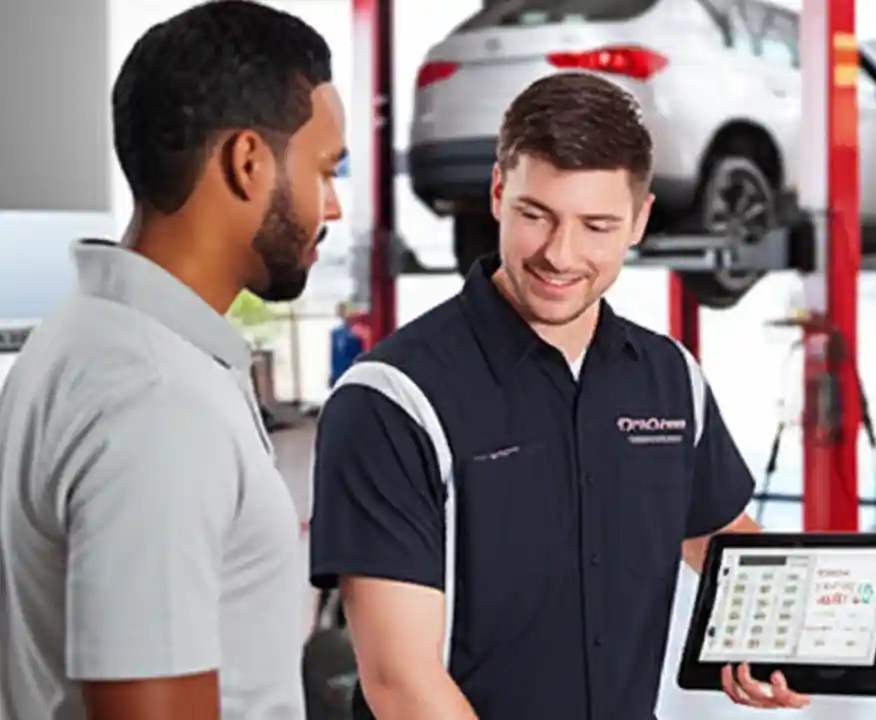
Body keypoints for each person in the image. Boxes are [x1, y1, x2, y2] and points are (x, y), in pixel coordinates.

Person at [309, 72, 810, 719]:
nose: (560, 254)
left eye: (597, 225)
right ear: (497, 193)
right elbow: (401, 683)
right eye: (535, 215)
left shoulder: (667, 377)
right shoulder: (393, 401)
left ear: (638, 221)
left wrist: (805, 612)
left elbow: (714, 534)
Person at [0, 2, 346, 718]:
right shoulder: (156, 400)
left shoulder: (83, 337)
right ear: (248, 162)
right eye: (324, 170)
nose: (332, 207)